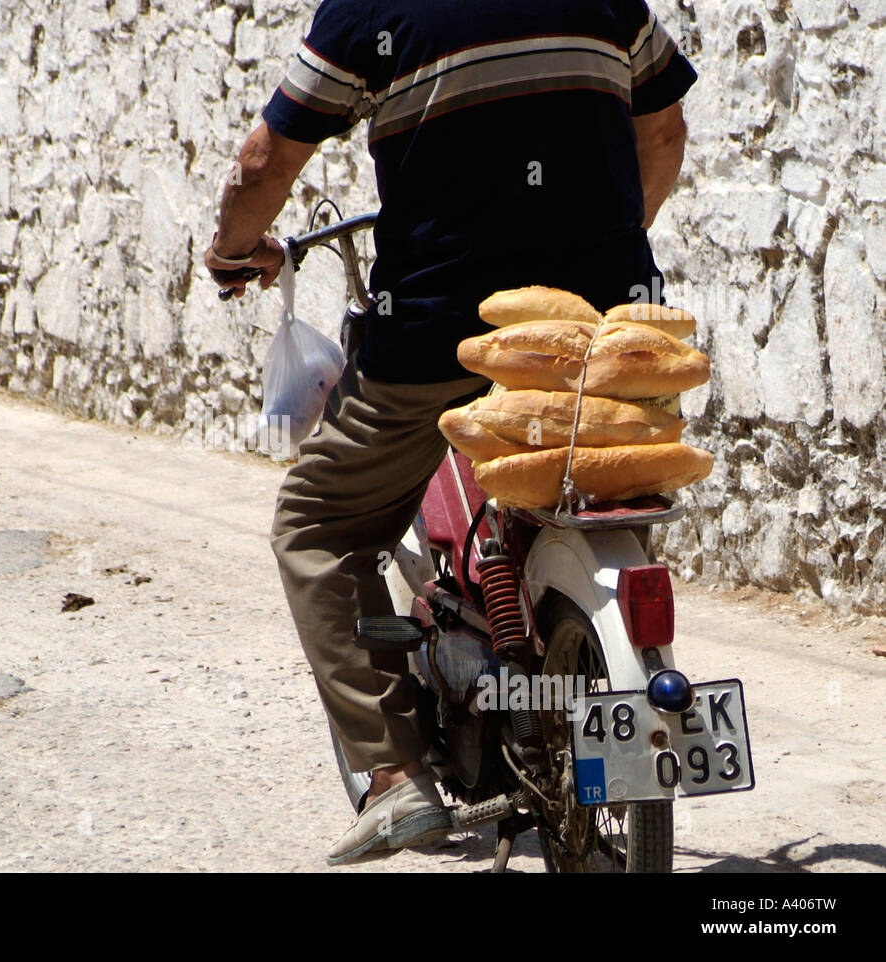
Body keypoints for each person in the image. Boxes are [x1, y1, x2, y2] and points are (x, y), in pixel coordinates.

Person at [204, 0, 697, 865]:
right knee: (591, 480)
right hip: (604, 334)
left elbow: (265, 158)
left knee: (317, 524)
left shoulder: (369, 11)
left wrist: (233, 248)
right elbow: (663, 133)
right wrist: (605, 255)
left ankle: (395, 783)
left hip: (437, 332)